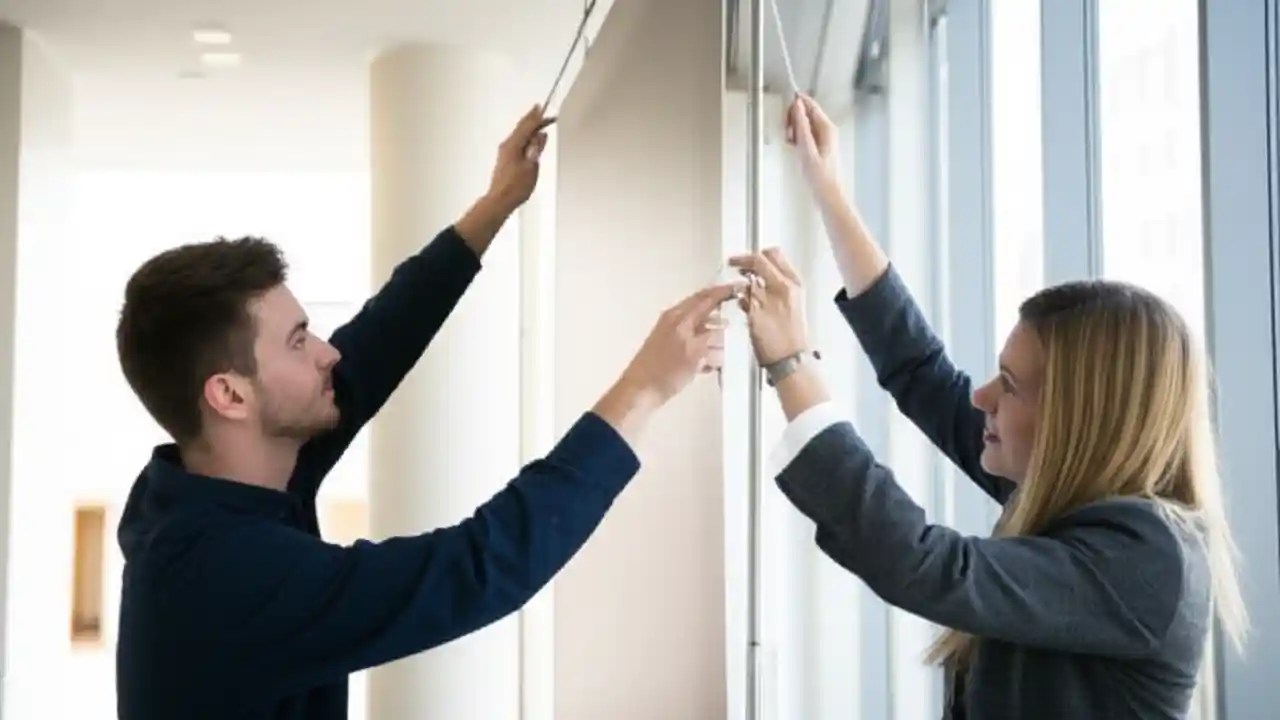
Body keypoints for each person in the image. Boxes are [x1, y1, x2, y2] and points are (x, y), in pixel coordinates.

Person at [113, 105, 739, 720]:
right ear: (230, 396)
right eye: (298, 342)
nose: (329, 353)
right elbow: (479, 569)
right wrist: (644, 390)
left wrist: (495, 206)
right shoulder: (221, 575)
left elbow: (375, 345)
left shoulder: (211, 482)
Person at [729, 94, 1249, 719]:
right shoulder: (1074, 504)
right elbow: (920, 370)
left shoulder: (1145, 559)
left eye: (1009, 384)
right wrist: (827, 186)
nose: (981, 398)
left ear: (1078, 420)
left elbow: (923, 563)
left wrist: (793, 365)